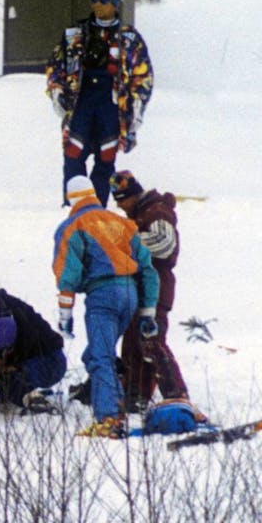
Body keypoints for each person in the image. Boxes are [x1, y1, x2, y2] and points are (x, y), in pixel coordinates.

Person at [53, 175, 159, 438]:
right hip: (130, 294)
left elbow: (68, 272)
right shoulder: (124, 224)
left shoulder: (72, 226)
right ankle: (118, 400)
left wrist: (65, 312)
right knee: (98, 353)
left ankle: (108, 417)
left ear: (71, 200)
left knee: (101, 356)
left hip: (102, 295)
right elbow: (147, 268)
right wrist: (147, 311)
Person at [45, 0, 154, 206]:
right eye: (94, 0)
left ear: (115, 4)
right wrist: (57, 91)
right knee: (74, 153)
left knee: (106, 157)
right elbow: (55, 66)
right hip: (82, 100)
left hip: (111, 103)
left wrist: (135, 106)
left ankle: (97, 205)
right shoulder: (74, 35)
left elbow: (143, 76)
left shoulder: (129, 38)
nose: (97, 6)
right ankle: (74, 204)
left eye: (103, 1)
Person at [110, 170, 198, 415]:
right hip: (140, 289)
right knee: (132, 343)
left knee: (151, 341)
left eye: (121, 200)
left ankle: (176, 393)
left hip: (157, 287)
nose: (120, 206)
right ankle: (135, 397)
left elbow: (164, 245)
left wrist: (124, 241)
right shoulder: (141, 214)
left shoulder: (157, 211)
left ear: (132, 195)